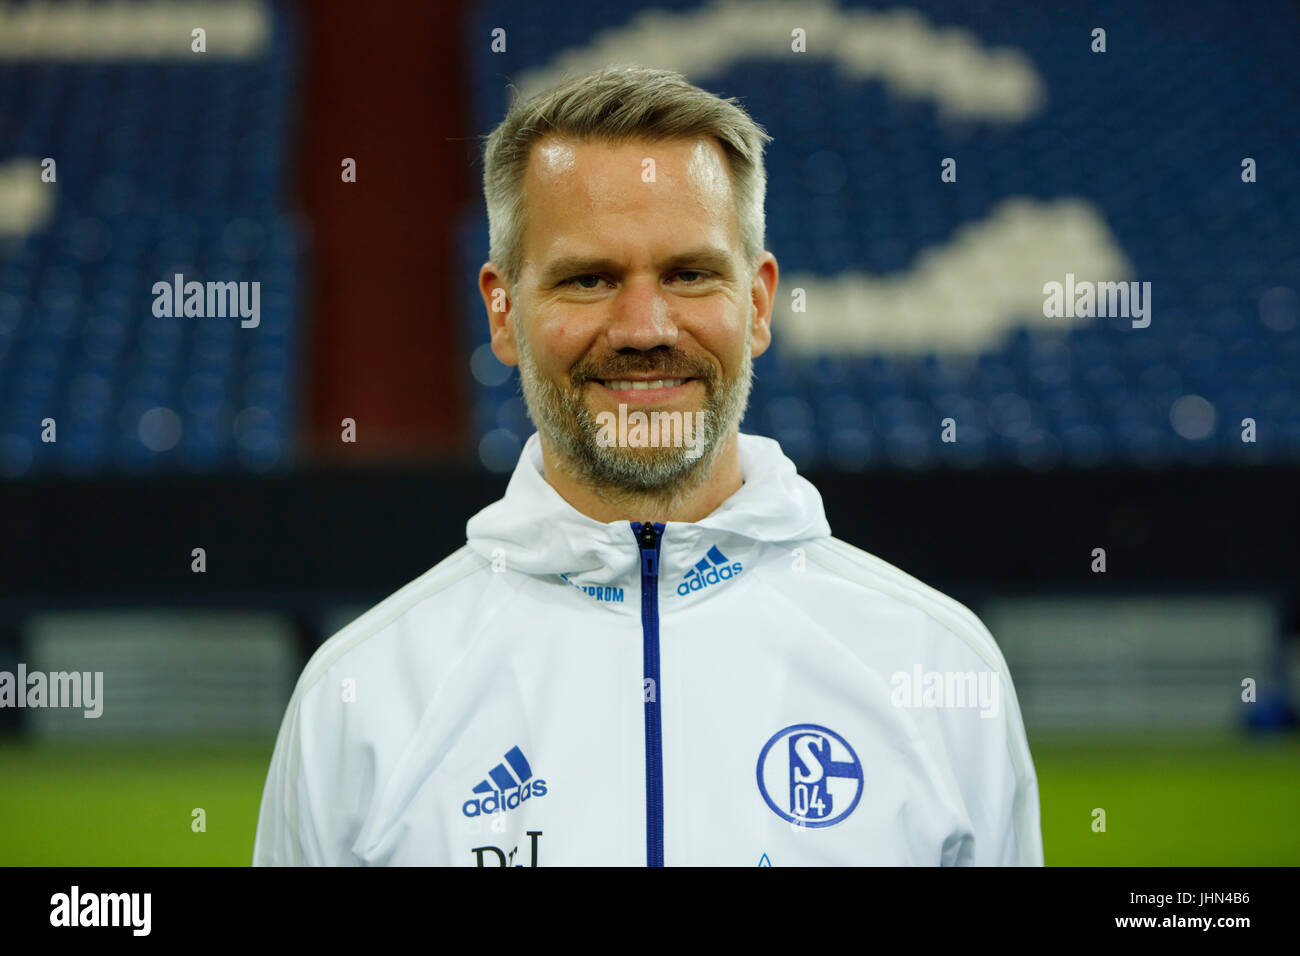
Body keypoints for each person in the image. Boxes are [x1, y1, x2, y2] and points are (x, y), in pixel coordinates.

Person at [253, 65, 1043, 866]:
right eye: (588, 279)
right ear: (502, 312)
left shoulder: (941, 668)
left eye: (690, 274)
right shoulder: (358, 701)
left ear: (760, 303)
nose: (643, 327)